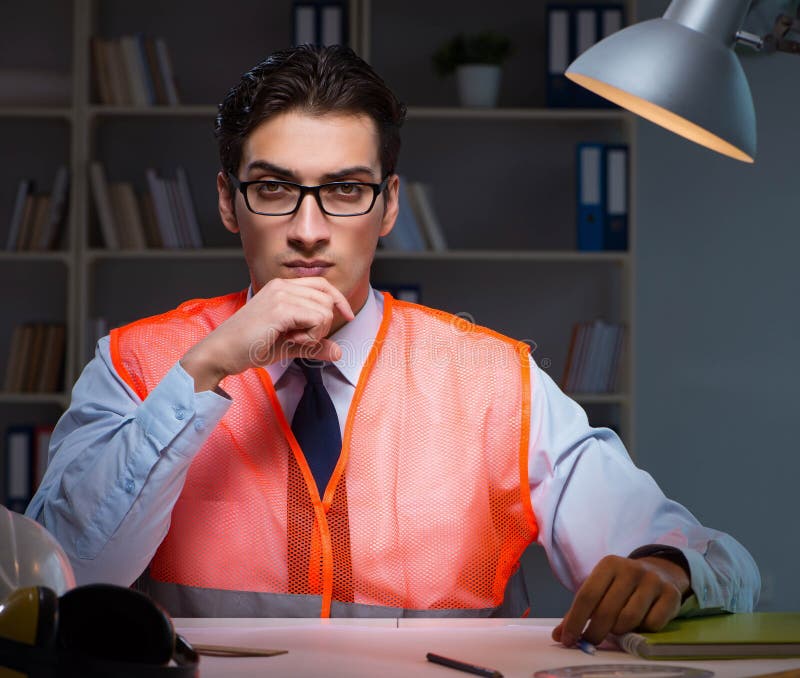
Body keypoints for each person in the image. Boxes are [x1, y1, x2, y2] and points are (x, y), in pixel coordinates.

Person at [26, 45, 759, 646]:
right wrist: (206, 370)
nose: (309, 229)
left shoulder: (495, 380)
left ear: (389, 206)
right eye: (274, 189)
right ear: (227, 202)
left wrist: (667, 567)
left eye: (345, 190)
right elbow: (60, 581)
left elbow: (710, 558)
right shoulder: (138, 363)